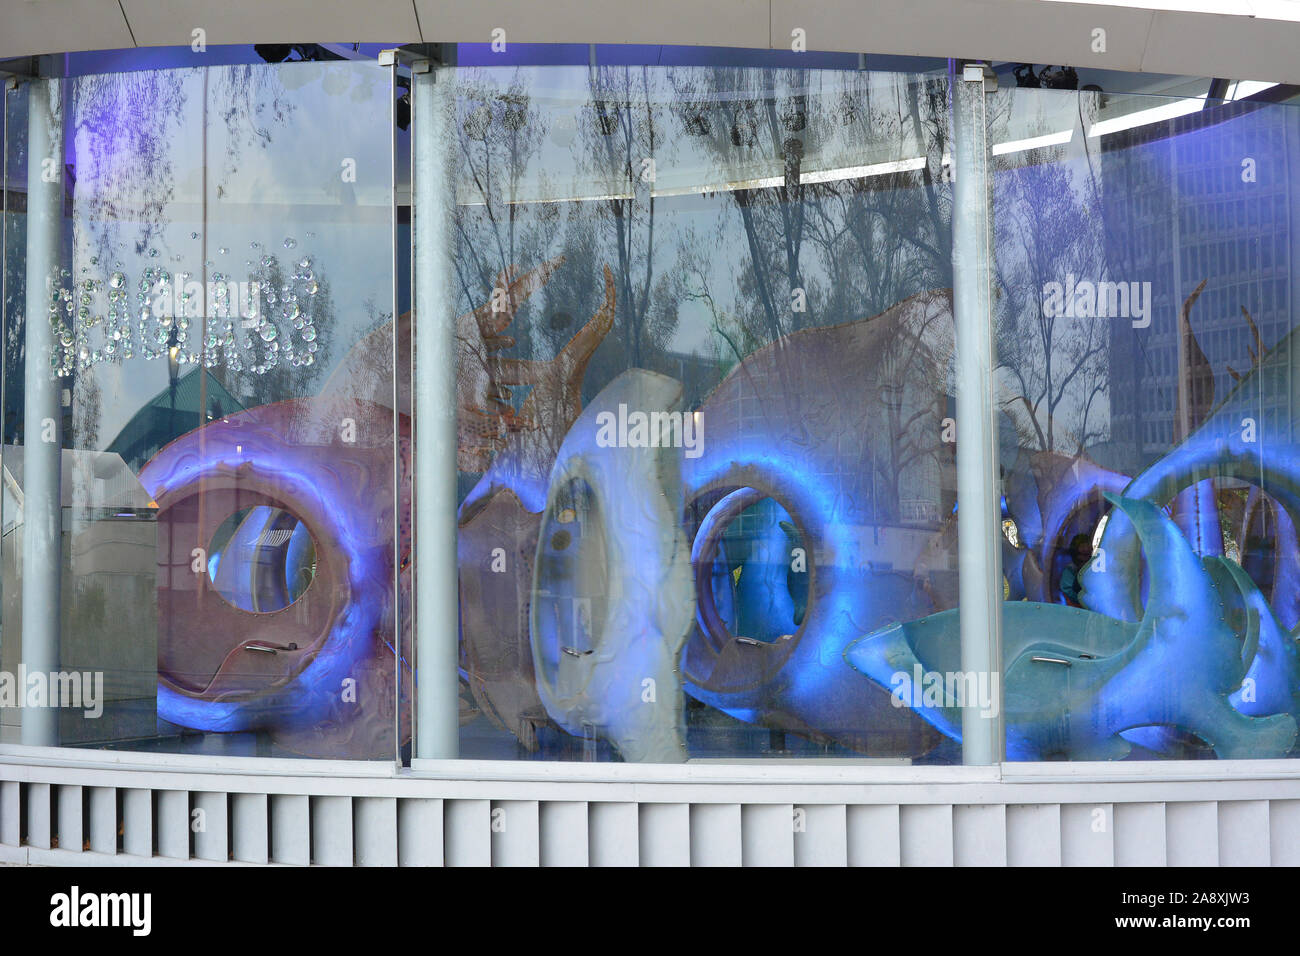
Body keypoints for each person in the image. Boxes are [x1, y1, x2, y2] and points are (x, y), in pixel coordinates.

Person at [1059, 533, 1092, 608]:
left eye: (1087, 545)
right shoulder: (1069, 571)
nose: (1086, 549)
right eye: (1082, 546)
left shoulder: (1094, 567)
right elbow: (1068, 591)